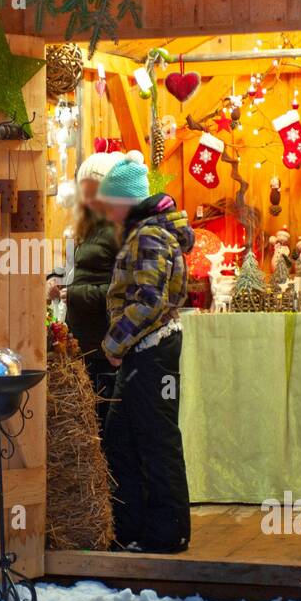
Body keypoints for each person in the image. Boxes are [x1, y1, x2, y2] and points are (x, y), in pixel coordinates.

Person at [96, 151, 194, 554]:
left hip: (150, 351)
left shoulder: (148, 236)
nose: (106, 210)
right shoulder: (148, 233)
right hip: (153, 349)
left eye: (111, 201)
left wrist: (114, 344)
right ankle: (135, 526)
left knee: (154, 439)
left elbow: (149, 299)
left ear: (127, 201)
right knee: (128, 437)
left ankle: (166, 532)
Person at [47, 152, 122, 426]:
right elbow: (72, 270)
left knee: (104, 423)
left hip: (104, 343)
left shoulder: (119, 230)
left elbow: (121, 292)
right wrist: (54, 280)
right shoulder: (87, 228)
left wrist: (75, 294)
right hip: (82, 341)